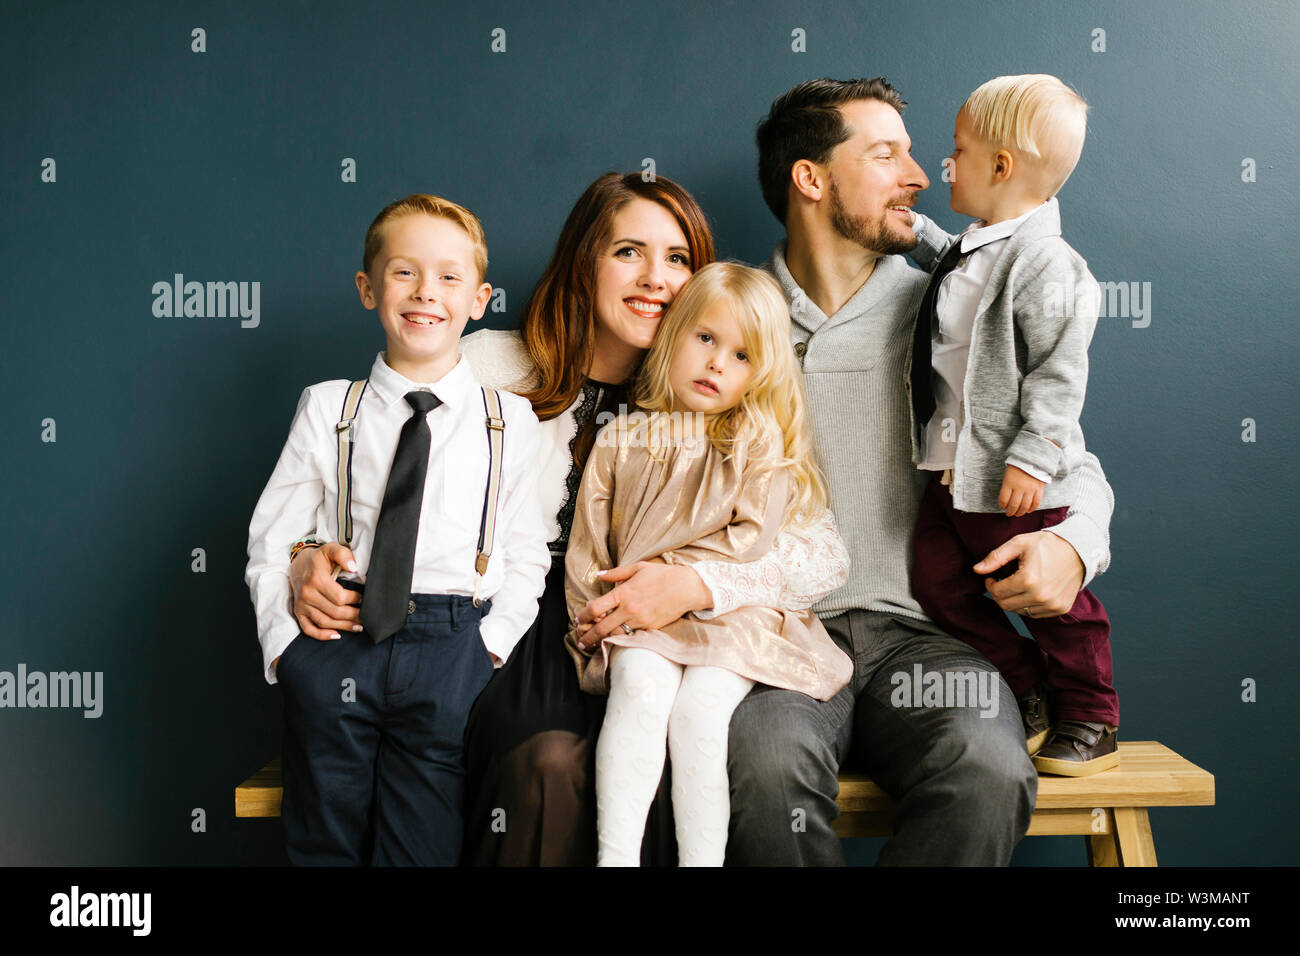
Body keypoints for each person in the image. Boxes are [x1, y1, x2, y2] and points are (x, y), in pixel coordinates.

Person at [580, 78, 1115, 865]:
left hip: (928, 638)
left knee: (988, 770)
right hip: (775, 639)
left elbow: (1069, 455)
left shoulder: (951, 307)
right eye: (886, 153)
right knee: (761, 769)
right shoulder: (729, 322)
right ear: (812, 179)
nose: (921, 176)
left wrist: (1073, 548)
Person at [284, 173, 849, 866]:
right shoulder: (490, 363)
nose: (655, 279)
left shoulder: (725, 395)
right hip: (518, 625)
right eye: (628, 253)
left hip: (677, 633)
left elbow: (819, 555)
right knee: (550, 764)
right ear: (586, 260)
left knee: (680, 748)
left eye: (677, 259)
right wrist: (305, 550)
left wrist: (698, 587)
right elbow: (362, 470)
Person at [244, 194, 549, 865]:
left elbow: (526, 555)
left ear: (479, 298)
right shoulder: (329, 407)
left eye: (448, 277)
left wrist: (486, 652)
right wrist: (289, 654)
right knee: (323, 838)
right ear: (368, 288)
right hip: (339, 641)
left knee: (424, 847)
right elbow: (277, 538)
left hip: (451, 650)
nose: (425, 292)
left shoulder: (510, 421)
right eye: (403, 272)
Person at [565, 262, 852, 866]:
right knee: (638, 690)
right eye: (705, 339)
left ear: (761, 373)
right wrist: (590, 620)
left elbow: (752, 543)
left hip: (733, 617)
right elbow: (590, 549)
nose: (718, 362)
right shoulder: (621, 440)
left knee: (701, 711)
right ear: (674, 336)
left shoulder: (754, 441)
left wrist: (691, 578)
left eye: (741, 355)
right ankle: (614, 858)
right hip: (640, 615)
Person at [907, 75, 1117, 775]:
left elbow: (1062, 371)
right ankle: (1027, 684)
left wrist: (1033, 456)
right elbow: (954, 271)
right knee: (939, 582)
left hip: (1013, 476)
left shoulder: (1048, 263)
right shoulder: (979, 244)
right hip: (951, 471)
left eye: (957, 152)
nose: (945, 166)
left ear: (1000, 167)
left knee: (1052, 603)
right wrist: (916, 234)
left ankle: (1091, 714)